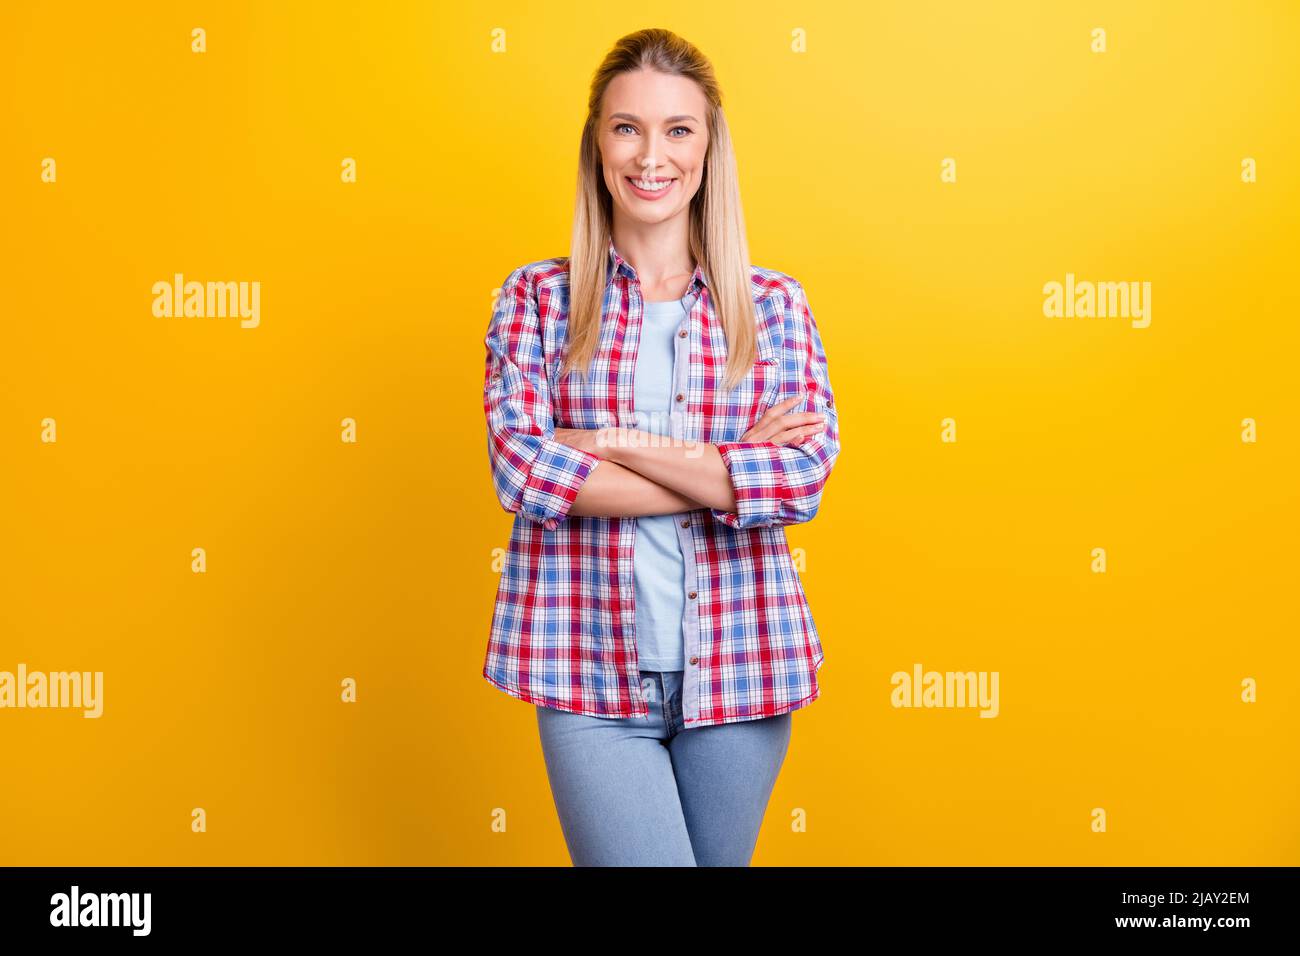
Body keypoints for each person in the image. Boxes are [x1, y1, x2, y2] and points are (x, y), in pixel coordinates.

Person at [481, 28, 841, 866]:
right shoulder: (536, 300)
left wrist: (602, 442)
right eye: (627, 127)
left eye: (679, 129)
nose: (652, 156)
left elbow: (800, 479)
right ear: (597, 144)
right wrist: (723, 468)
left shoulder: (774, 305)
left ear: (709, 149)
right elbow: (523, 471)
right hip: (584, 672)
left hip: (742, 668)